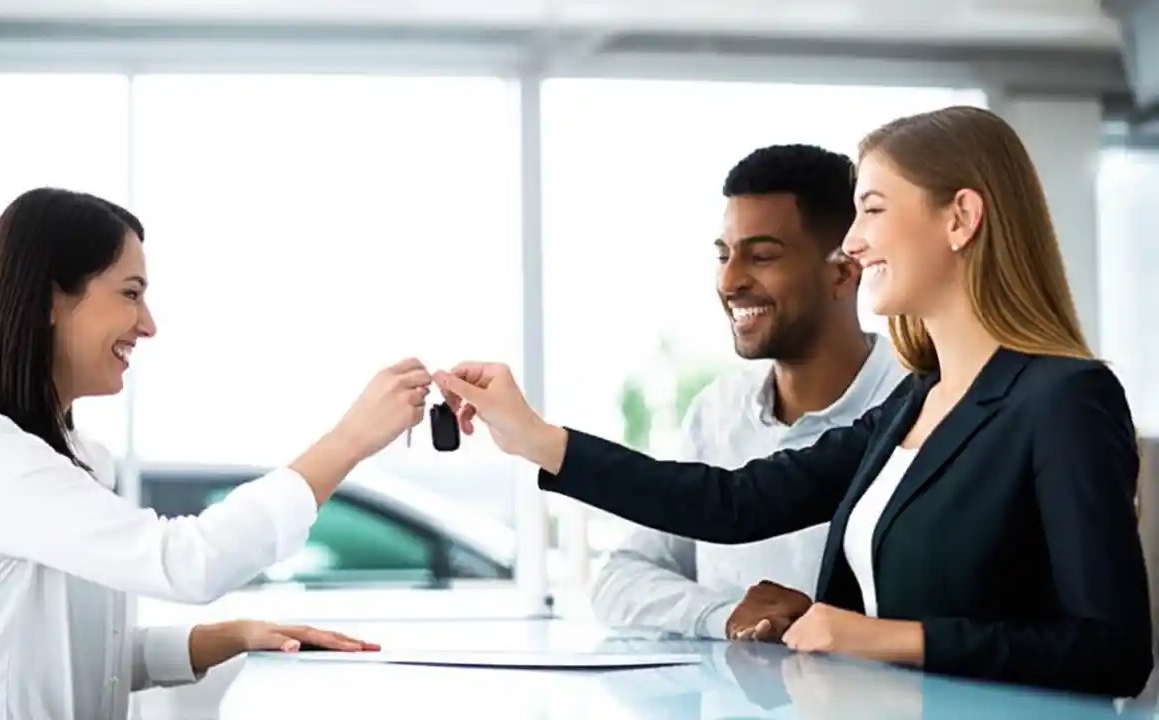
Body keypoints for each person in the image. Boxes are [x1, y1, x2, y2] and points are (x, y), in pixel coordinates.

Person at [432, 106, 1154, 697]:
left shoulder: (1063, 398)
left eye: (872, 209)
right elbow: (732, 503)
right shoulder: (916, 405)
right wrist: (535, 437)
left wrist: (881, 637)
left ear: (960, 218)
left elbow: (1112, 650)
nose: (855, 241)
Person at [0, 188, 430, 719]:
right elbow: (186, 562)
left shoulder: (76, 458)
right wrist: (349, 441)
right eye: (130, 293)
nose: (148, 324)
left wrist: (230, 636)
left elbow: (78, 656)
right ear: (49, 301)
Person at [590, 144, 906, 641]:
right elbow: (620, 578)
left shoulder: (916, 401)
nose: (730, 280)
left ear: (843, 272)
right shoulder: (716, 413)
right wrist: (728, 614)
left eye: (761, 257)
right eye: (723, 255)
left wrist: (839, 626)